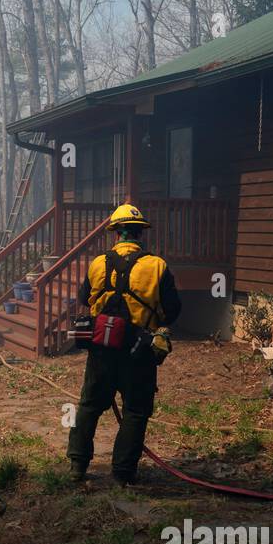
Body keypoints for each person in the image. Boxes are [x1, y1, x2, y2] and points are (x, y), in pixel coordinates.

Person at [67, 204, 181, 485]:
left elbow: (84, 299)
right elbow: (173, 310)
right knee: (136, 411)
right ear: (141, 233)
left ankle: (77, 466)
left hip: (101, 348)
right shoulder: (157, 266)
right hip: (139, 352)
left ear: (116, 233)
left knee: (89, 406)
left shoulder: (97, 263)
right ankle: (122, 474)